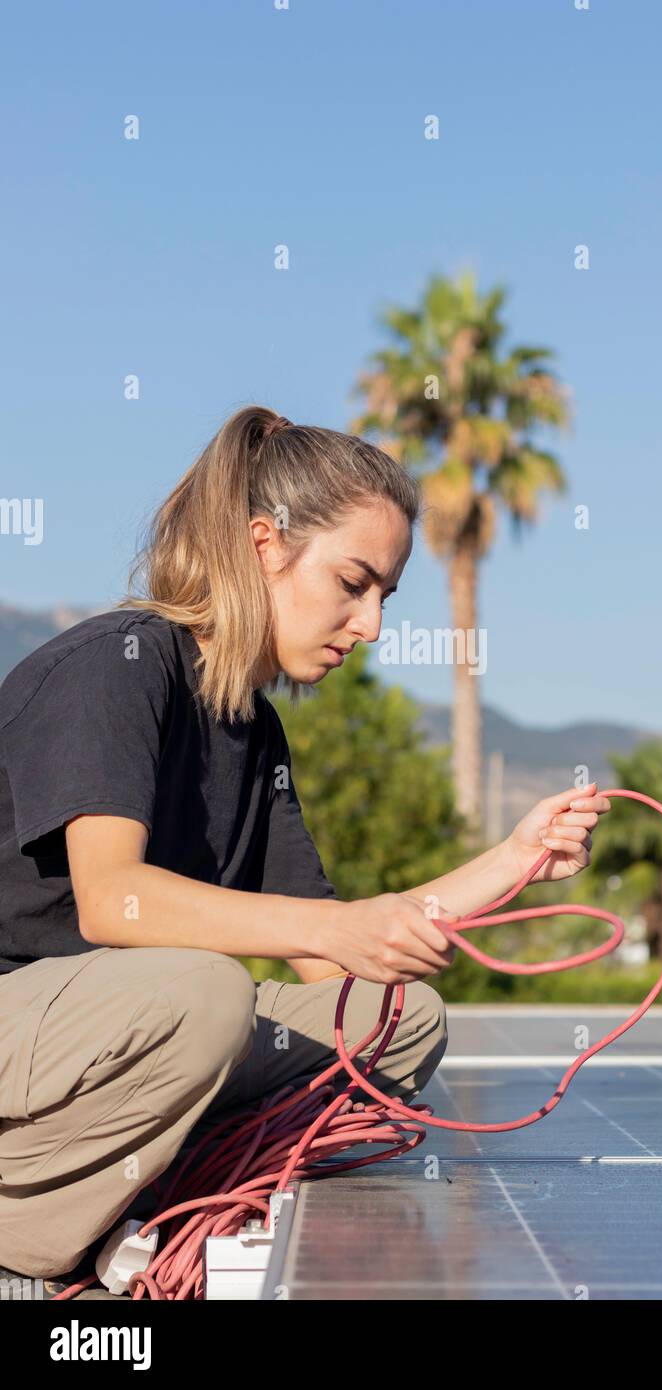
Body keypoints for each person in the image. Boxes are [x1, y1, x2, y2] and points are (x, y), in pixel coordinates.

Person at [0, 405, 609, 1284]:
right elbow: (112, 899)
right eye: (353, 583)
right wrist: (326, 933)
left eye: (385, 597)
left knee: (399, 1021)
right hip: (30, 1021)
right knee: (205, 991)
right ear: (263, 546)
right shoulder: (117, 666)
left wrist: (513, 861)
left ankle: (162, 1184)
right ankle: (41, 1235)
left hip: (122, 1044)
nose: (370, 627)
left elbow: (339, 961)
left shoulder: (255, 731)